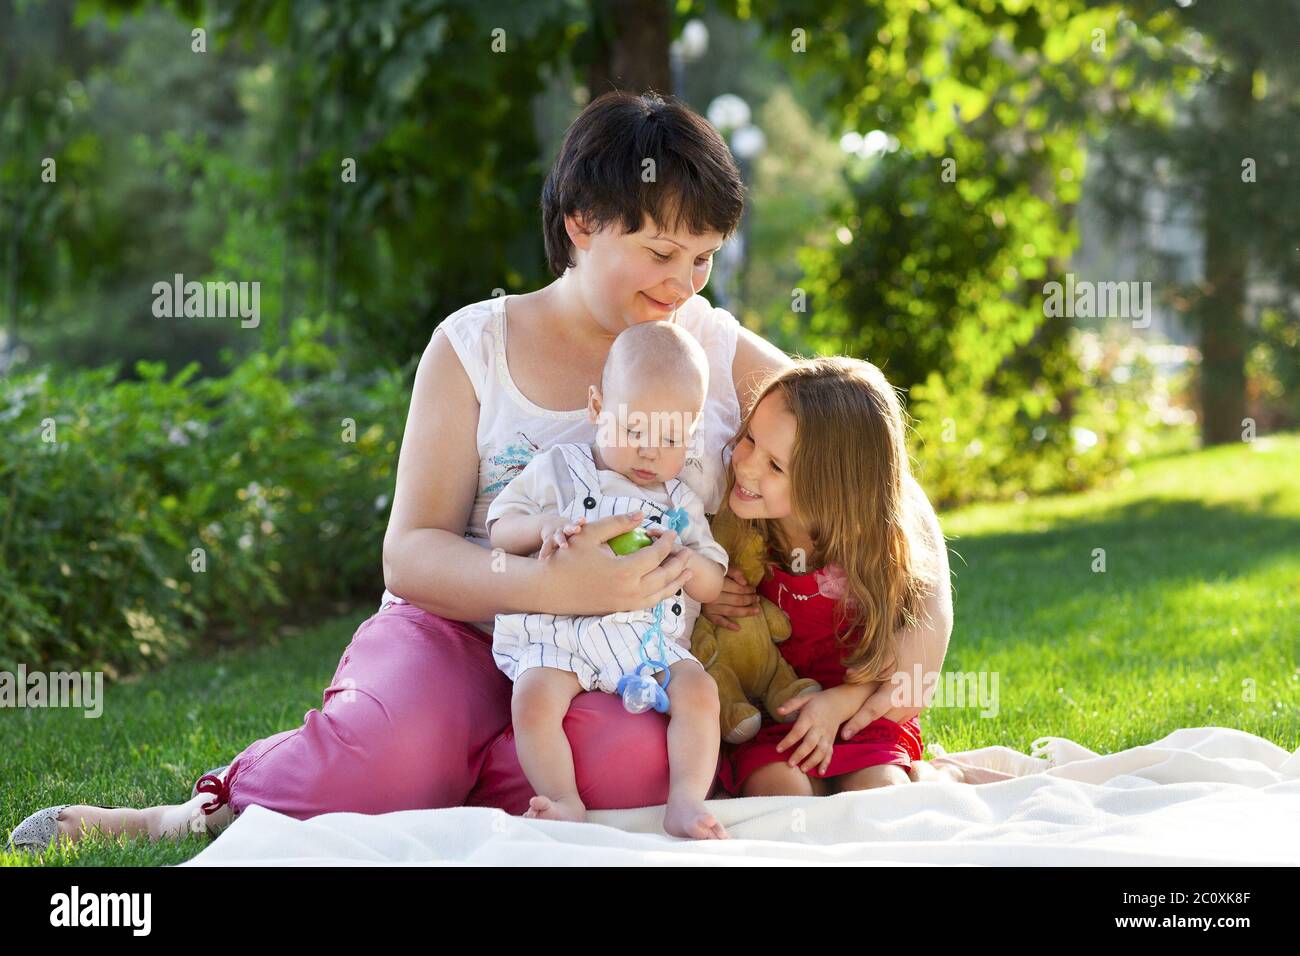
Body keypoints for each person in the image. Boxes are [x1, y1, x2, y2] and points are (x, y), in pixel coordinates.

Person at [8, 91, 953, 853]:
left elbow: (875, 483)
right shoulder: (475, 347)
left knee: (630, 768)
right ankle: (193, 813)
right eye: (662, 252)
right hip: (459, 627)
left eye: (703, 258)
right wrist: (549, 582)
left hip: (619, 656)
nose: (684, 285)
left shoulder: (708, 342)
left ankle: (456, 775)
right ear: (583, 223)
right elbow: (409, 554)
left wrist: (887, 694)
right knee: (393, 749)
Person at [489, 321, 730, 838]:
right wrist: (544, 526)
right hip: (563, 633)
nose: (648, 451)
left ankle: (685, 800)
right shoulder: (559, 468)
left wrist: (687, 559)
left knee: (700, 693)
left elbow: (712, 583)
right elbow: (501, 527)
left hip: (647, 642)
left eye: (669, 437)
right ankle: (561, 798)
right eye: (633, 429)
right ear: (598, 408)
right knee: (532, 699)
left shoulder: (680, 502)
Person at [712, 357, 968, 796]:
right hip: (777, 721)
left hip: (861, 719)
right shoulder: (740, 531)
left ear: (833, 487)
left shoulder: (874, 556)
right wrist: (708, 591)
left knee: (879, 795)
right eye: (750, 438)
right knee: (779, 796)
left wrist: (839, 704)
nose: (747, 465)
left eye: (775, 466)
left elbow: (895, 665)